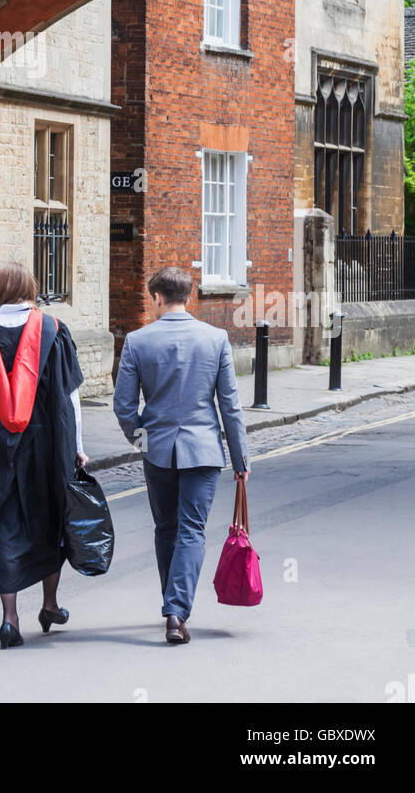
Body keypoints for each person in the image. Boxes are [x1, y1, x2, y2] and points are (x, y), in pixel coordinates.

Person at [113, 265, 250, 645]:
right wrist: (241, 462)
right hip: (204, 450)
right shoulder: (216, 338)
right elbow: (231, 407)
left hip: (157, 450)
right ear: (188, 296)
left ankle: (171, 604)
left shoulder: (138, 342)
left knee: (165, 529)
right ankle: (177, 611)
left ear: (157, 297)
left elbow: (124, 406)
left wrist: (143, 443)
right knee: (192, 530)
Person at [0, 261, 87, 649]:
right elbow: (70, 397)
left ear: (2, 289)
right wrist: (77, 446)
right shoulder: (54, 331)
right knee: (50, 520)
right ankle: (49, 604)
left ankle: (10, 618)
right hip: (46, 446)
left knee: (3, 528)